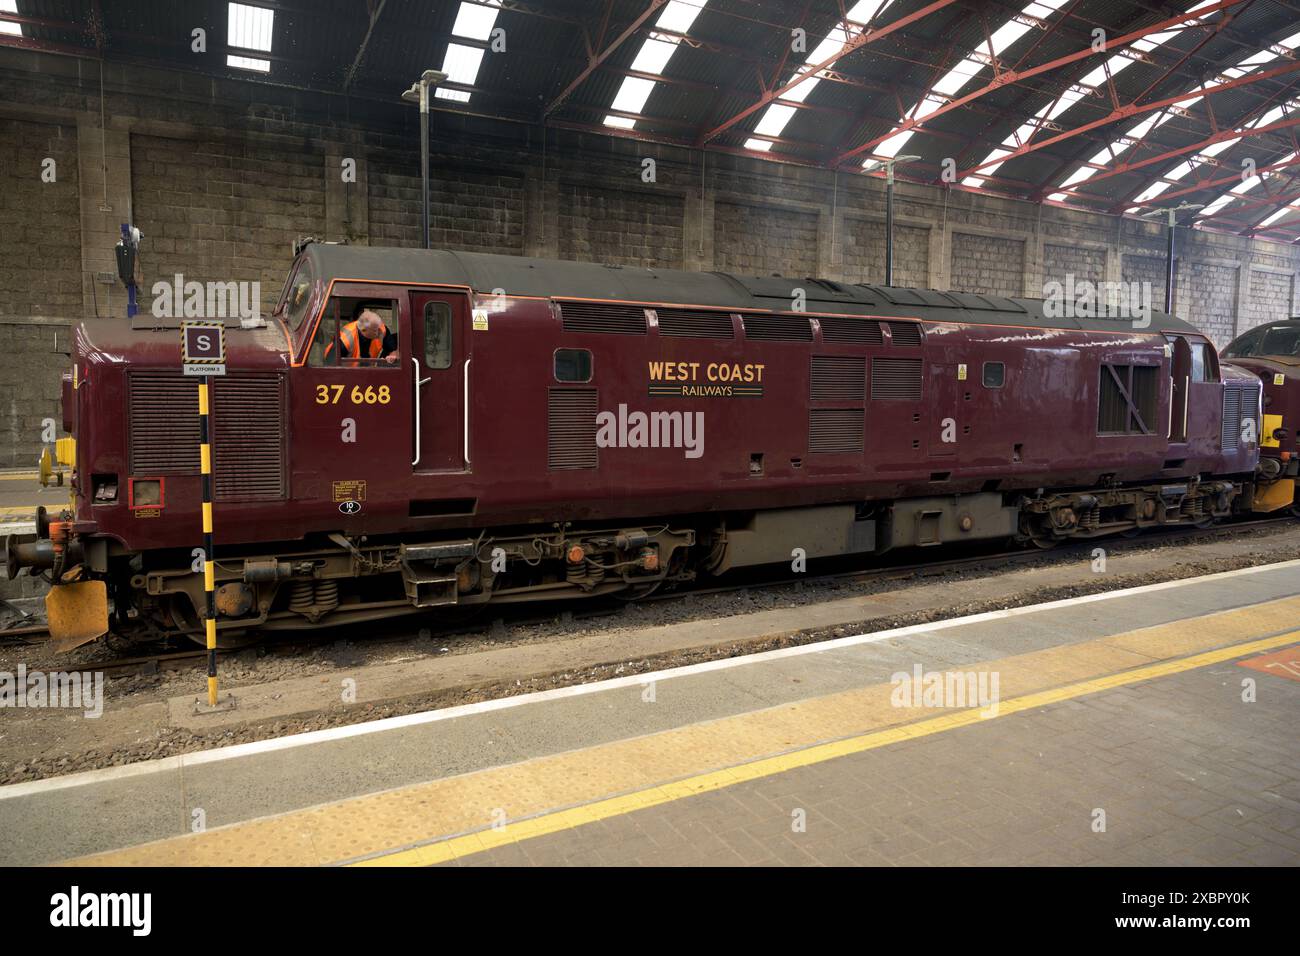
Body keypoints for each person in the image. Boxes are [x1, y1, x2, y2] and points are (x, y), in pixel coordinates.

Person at [325, 306, 398, 364]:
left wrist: (392, 357)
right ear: (364, 330)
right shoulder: (345, 340)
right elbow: (330, 366)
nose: (380, 331)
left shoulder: (382, 329)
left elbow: (392, 350)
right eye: (375, 330)